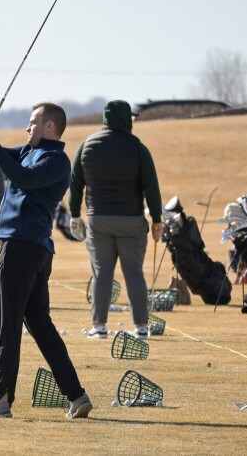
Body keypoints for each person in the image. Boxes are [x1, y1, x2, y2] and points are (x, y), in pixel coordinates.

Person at [0, 102, 91, 420]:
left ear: (49, 126)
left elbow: (22, 178)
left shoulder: (56, 161)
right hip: (30, 249)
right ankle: (77, 397)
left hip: (24, 250)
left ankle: (1, 398)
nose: (28, 128)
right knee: (40, 326)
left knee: (7, 326)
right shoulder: (28, 150)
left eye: (32, 122)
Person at [67, 99, 163, 340]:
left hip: (98, 219)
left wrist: (75, 215)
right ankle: (141, 327)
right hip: (131, 220)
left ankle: (99, 327)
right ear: (124, 119)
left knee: (102, 273)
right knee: (134, 273)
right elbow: (151, 187)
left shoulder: (87, 145)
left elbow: (75, 184)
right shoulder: (137, 147)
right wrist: (157, 220)